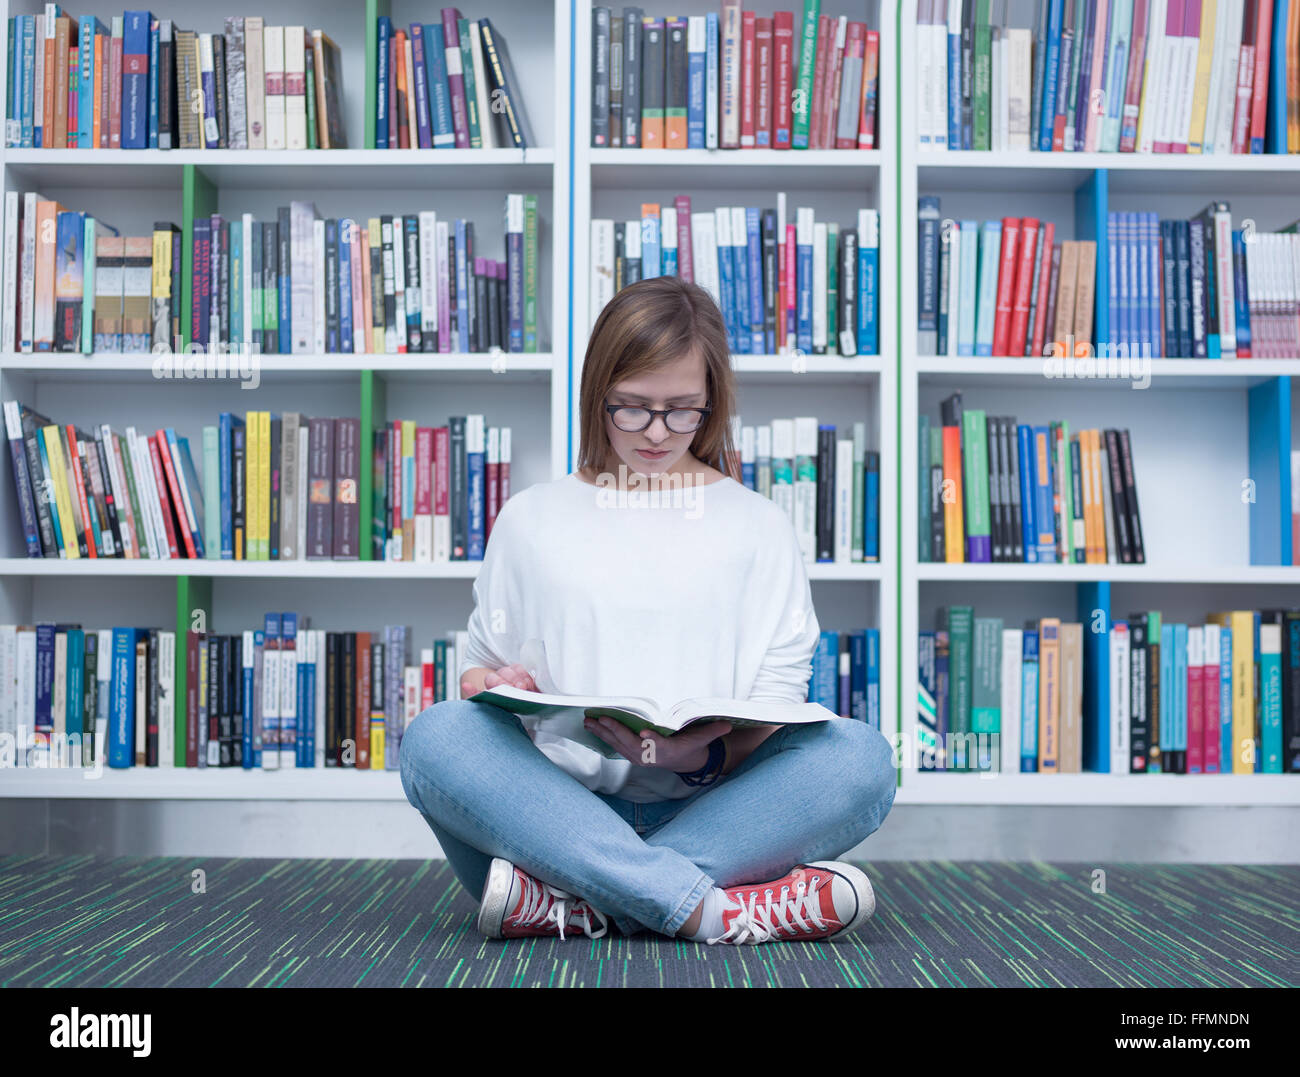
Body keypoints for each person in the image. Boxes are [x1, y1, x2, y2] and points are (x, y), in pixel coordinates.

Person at [399, 276, 896, 946]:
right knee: (437, 739)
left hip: (721, 817)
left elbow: (777, 713)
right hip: (558, 818)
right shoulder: (530, 519)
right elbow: (478, 677)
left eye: (681, 409)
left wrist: (701, 754)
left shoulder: (760, 527)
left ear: (711, 402)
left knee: (861, 759)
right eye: (631, 407)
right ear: (596, 393)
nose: (656, 432)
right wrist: (496, 688)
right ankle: (715, 912)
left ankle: (584, 905)